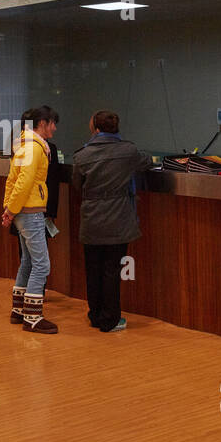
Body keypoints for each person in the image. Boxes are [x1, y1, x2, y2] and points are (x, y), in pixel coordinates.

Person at [73, 110, 152, 332]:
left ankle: (95, 314)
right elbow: (145, 162)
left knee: (93, 269)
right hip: (118, 218)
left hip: (91, 219)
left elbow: (77, 184)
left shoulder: (82, 155)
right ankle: (110, 319)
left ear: (95, 129)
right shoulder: (128, 151)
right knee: (112, 271)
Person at [2, 105, 58, 334]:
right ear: (42, 123)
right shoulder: (35, 148)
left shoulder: (22, 145)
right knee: (42, 264)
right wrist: (13, 210)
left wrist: (8, 208)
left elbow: (11, 180)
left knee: (27, 261)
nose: (54, 127)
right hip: (31, 211)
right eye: (52, 122)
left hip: (21, 211)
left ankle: (19, 310)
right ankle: (33, 317)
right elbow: (25, 182)